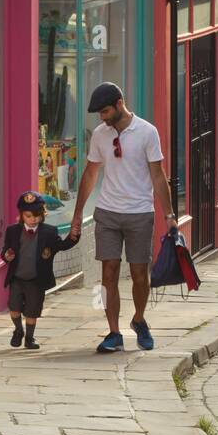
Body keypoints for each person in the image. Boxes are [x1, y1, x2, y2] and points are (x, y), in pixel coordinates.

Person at [69, 82, 176, 353]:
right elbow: (91, 173)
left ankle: (139, 320)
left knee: (140, 274)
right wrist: (78, 212)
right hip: (107, 212)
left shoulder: (147, 132)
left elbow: (157, 175)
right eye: (99, 114)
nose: (102, 118)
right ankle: (114, 332)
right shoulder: (100, 135)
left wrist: (170, 215)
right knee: (108, 273)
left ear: (119, 104)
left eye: (105, 111)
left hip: (140, 212)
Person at [2, 191, 78, 349]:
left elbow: (62, 246)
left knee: (32, 312)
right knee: (14, 308)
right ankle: (18, 331)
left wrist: (73, 236)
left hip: (36, 280)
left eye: (36, 216)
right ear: (22, 215)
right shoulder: (13, 231)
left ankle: (29, 338)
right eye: (28, 216)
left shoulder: (49, 232)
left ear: (42, 215)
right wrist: (7, 256)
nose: (32, 219)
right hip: (17, 278)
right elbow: (5, 251)